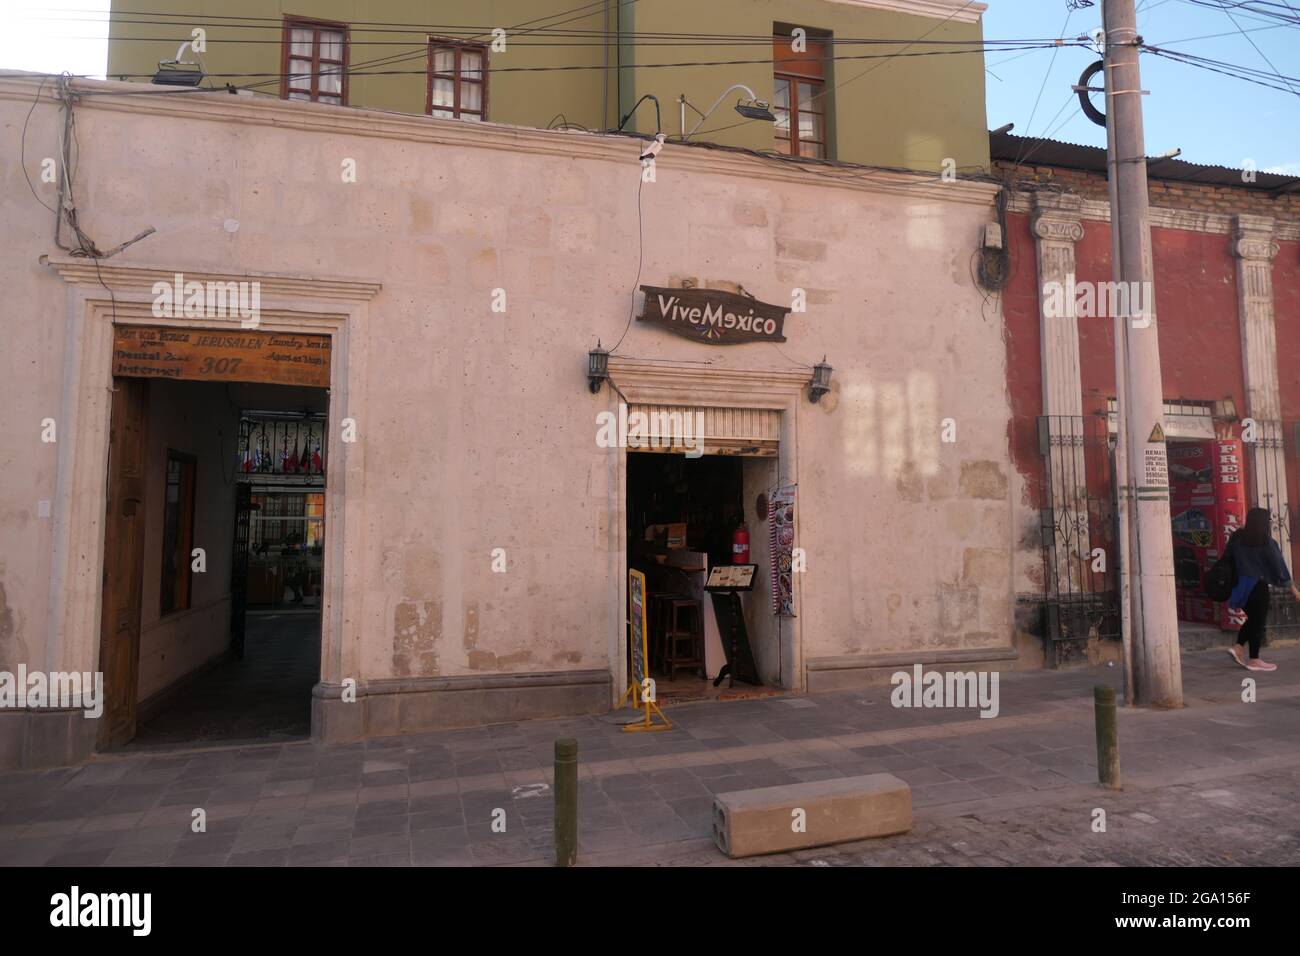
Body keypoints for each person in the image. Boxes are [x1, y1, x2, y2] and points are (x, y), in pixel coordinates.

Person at [1225, 508, 1299, 672]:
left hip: (1238, 585)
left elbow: (1227, 558)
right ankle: (1254, 659)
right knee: (1257, 622)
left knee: (1253, 619)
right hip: (1257, 586)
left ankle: (1238, 647)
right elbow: (1279, 566)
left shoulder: (1236, 537)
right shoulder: (1265, 541)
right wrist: (1293, 589)